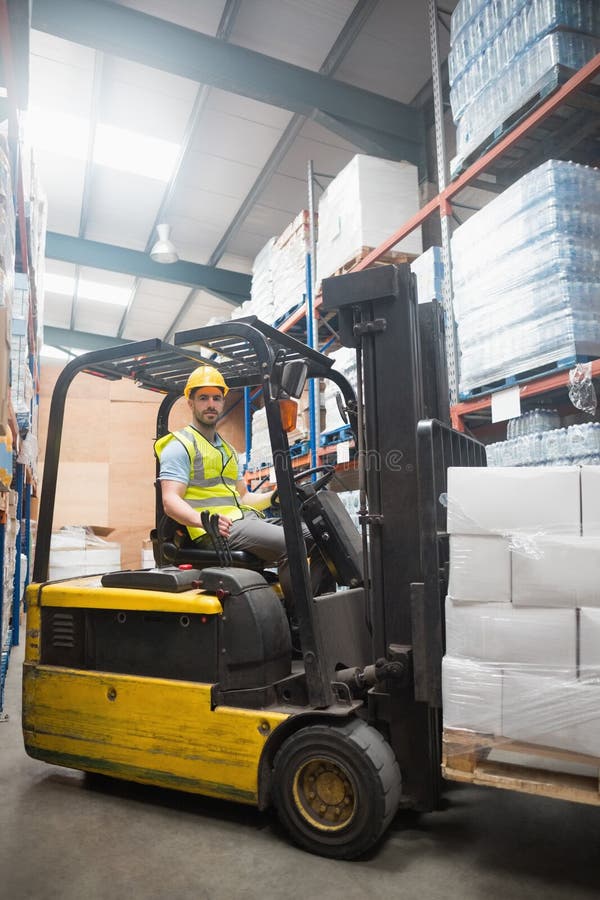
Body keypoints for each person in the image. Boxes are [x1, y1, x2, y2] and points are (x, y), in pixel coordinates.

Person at [154, 365, 331, 609]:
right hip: (210, 532)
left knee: (325, 536)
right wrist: (203, 520)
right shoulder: (180, 445)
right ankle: (302, 621)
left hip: (241, 521)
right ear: (191, 403)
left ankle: (323, 609)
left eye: (216, 398)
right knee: (292, 543)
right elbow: (170, 501)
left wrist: (274, 496)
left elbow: (244, 498)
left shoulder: (226, 449)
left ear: (223, 402)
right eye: (203, 398)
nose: (211, 404)